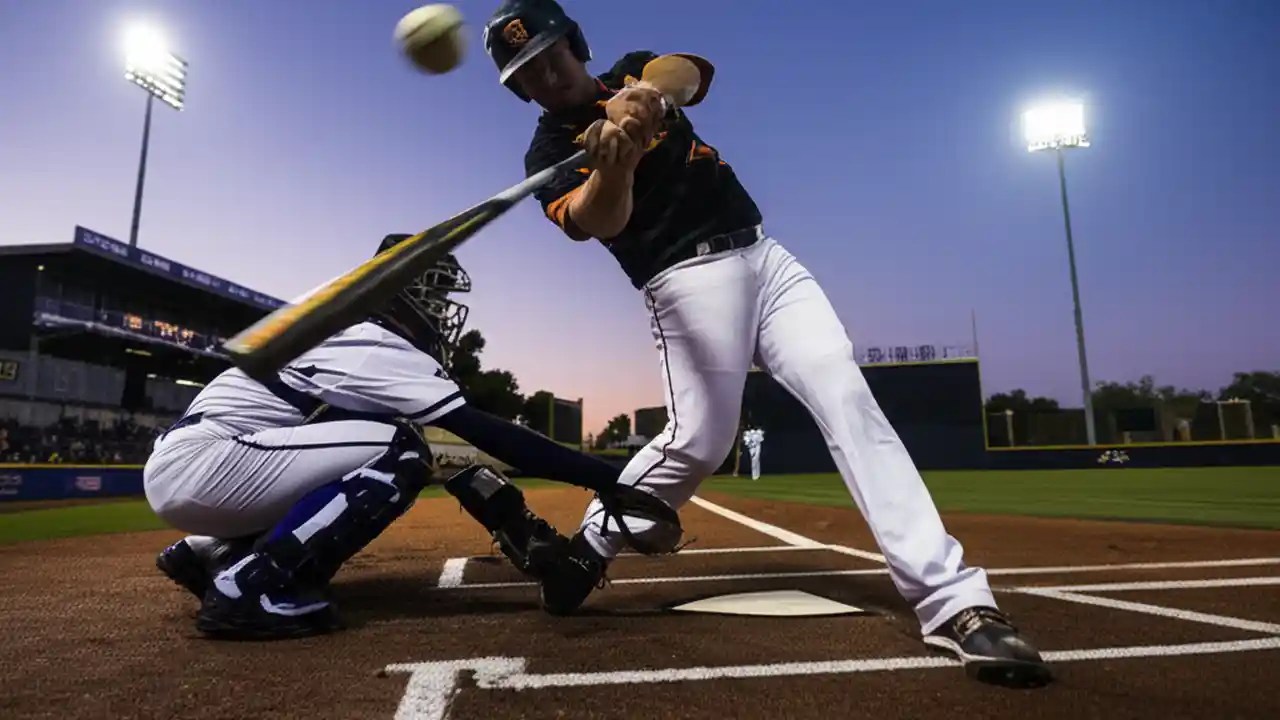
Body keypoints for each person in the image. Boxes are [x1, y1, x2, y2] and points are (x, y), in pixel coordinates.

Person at [482, 0, 1052, 687]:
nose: (547, 74)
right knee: (701, 442)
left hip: (768, 258)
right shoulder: (551, 152)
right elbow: (597, 221)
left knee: (843, 391)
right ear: (519, 90)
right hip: (684, 278)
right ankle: (589, 550)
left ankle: (957, 602)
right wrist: (616, 164)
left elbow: (687, 72)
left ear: (574, 43)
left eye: (552, 54)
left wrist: (644, 99)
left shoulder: (631, 70)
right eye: (529, 73)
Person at [143, 234, 672, 640]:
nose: (441, 308)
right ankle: (249, 587)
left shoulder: (337, 328)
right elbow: (486, 432)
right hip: (211, 463)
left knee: (372, 439)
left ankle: (211, 554)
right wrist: (607, 478)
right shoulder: (372, 340)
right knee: (401, 450)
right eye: (434, 291)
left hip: (209, 461)